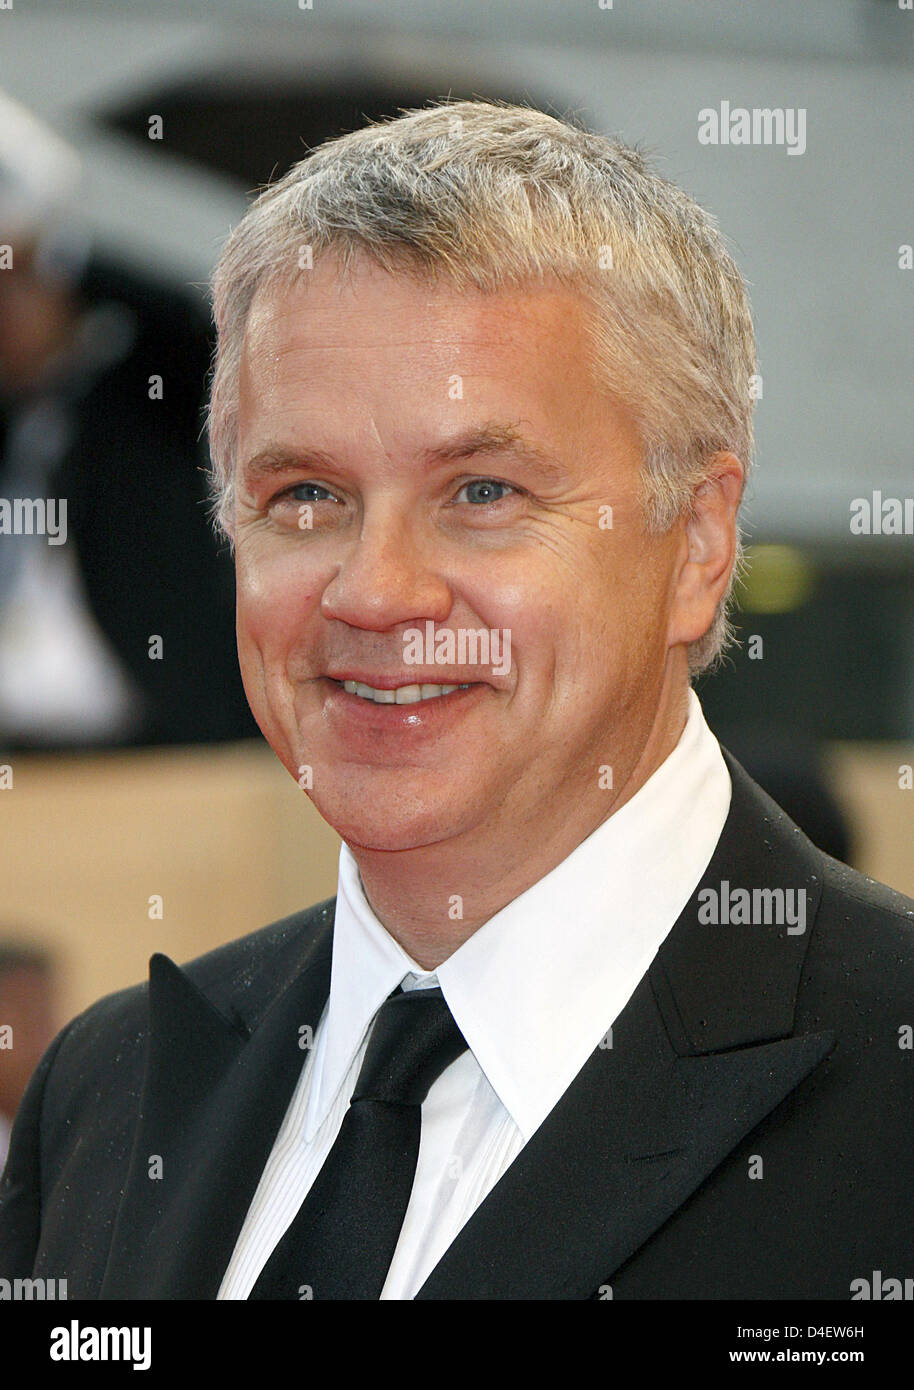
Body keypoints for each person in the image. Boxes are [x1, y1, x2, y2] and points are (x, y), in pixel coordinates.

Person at [1, 100, 911, 1300]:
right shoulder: (105, 1101)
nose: (376, 591)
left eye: (481, 489)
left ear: (695, 544)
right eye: (306, 496)